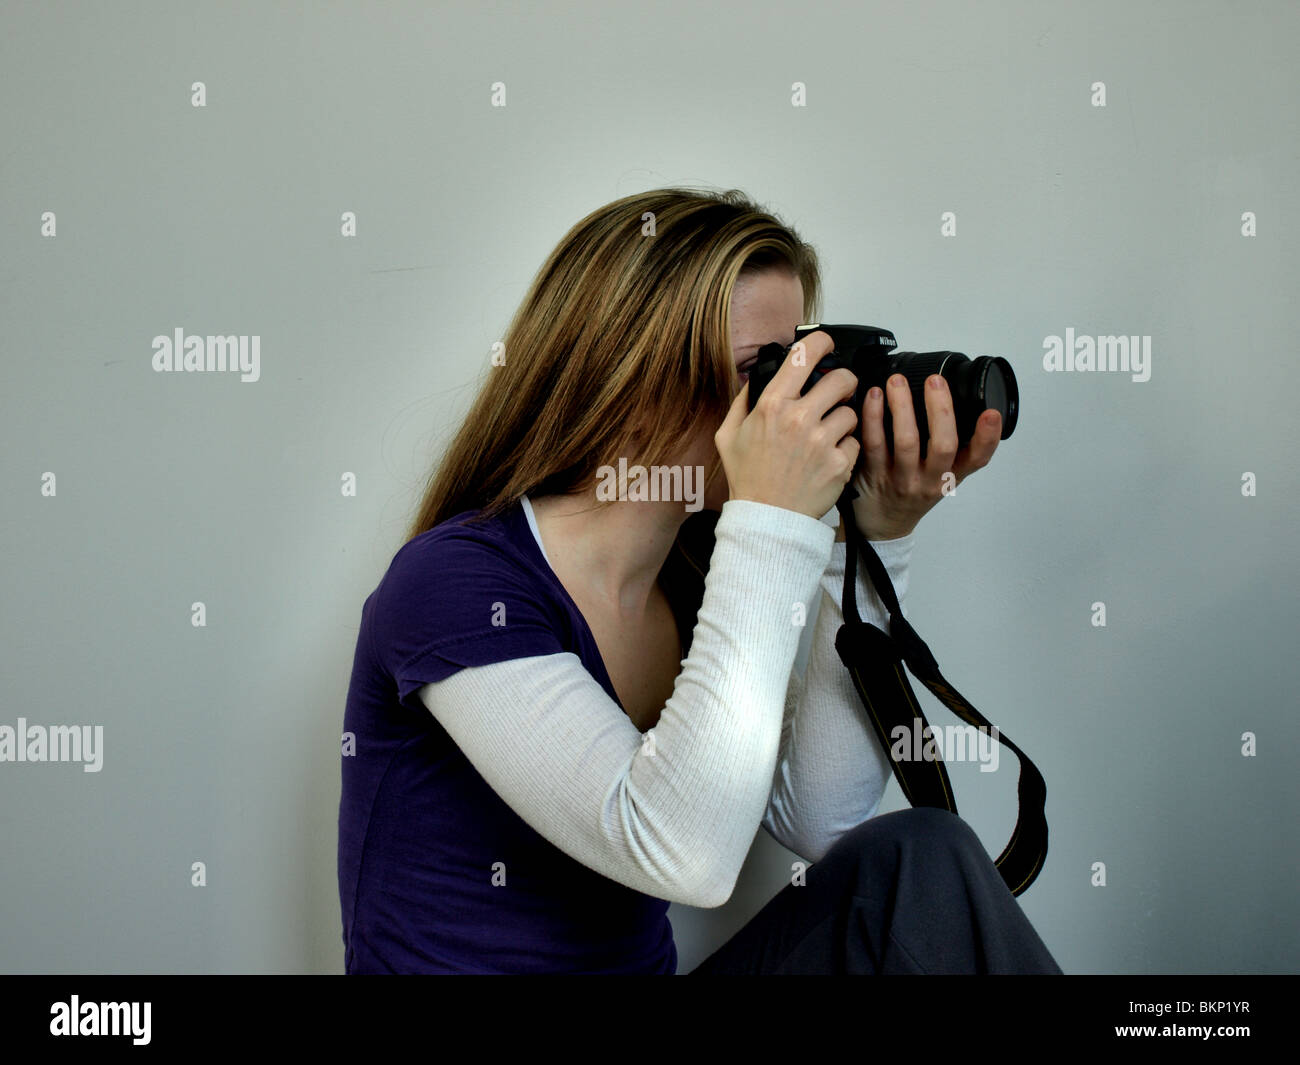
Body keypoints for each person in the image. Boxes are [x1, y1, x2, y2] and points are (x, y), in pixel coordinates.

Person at [337, 187, 1062, 975]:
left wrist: (875, 533)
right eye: (765, 371)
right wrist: (774, 521)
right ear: (630, 376)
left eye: (803, 364)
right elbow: (685, 853)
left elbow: (819, 816)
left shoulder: (699, 568)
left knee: (923, 858)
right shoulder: (459, 581)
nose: (798, 406)